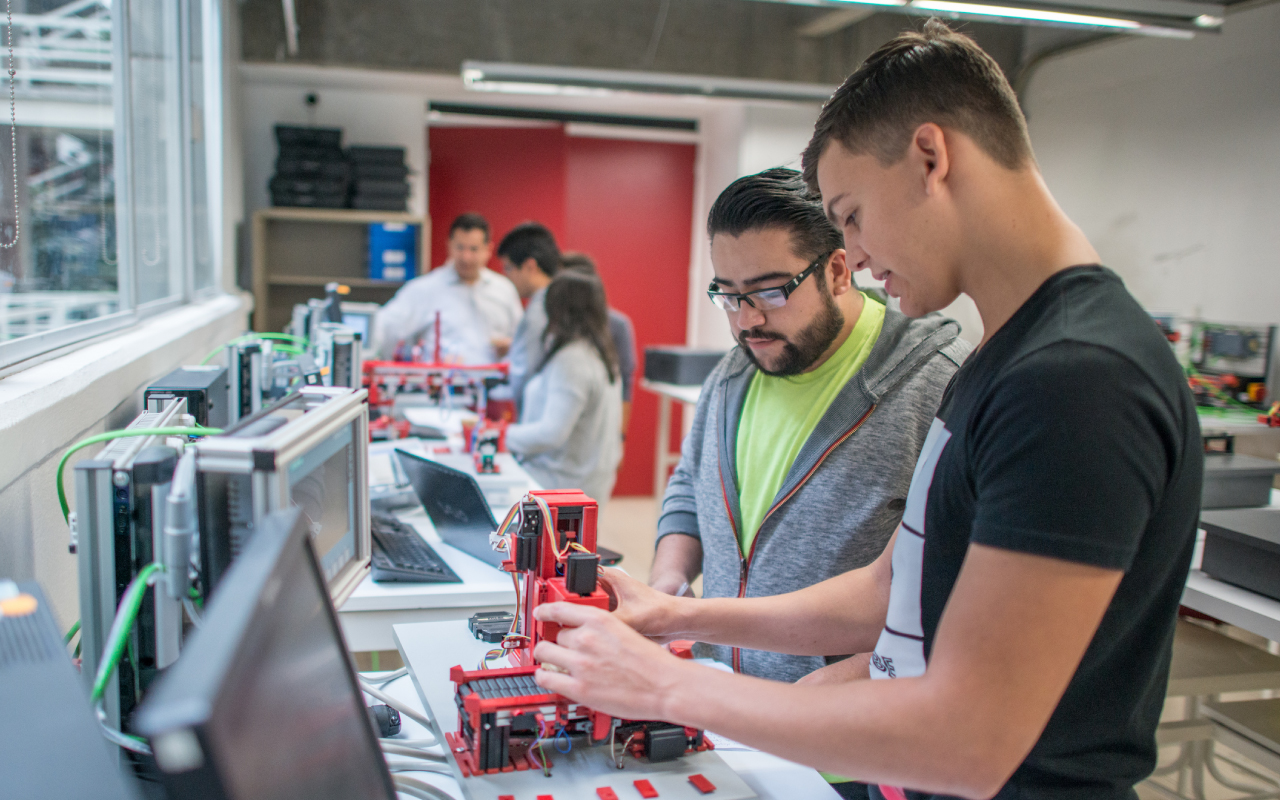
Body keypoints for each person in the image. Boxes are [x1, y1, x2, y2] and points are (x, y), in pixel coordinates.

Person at [530, 20, 1202, 800]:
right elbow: (891, 592)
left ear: (930, 158)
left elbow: (971, 741)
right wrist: (679, 617)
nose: (857, 253)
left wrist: (666, 689)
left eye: (850, 214)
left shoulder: (1078, 379)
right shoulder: (1007, 356)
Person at [653, 168, 968, 799]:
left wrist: (856, 679)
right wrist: (667, 586)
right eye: (728, 294)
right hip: (728, 719)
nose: (746, 321)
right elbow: (688, 486)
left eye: (769, 292)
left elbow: (958, 600)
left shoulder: (936, 388)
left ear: (838, 270)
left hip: (850, 748)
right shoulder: (734, 373)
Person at [505, 271, 623, 508]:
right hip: (579, 483)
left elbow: (552, 433)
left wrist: (501, 435)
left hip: (557, 487)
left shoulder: (573, 361)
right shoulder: (597, 353)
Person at [374, 213, 522, 363]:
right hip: (440, 383)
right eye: (460, 248)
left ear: (487, 249)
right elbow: (384, 328)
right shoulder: (424, 289)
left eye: (474, 249)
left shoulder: (504, 290)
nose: (466, 257)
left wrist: (510, 346)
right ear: (449, 245)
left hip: (495, 383)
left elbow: (522, 341)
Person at [559, 251, 639, 437]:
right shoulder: (558, 326)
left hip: (601, 428)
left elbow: (625, 382)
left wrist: (620, 437)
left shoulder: (617, 326)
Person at [498, 222, 559, 410]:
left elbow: (525, 375)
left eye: (509, 268)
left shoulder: (539, 311)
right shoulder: (558, 302)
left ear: (530, 266)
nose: (507, 277)